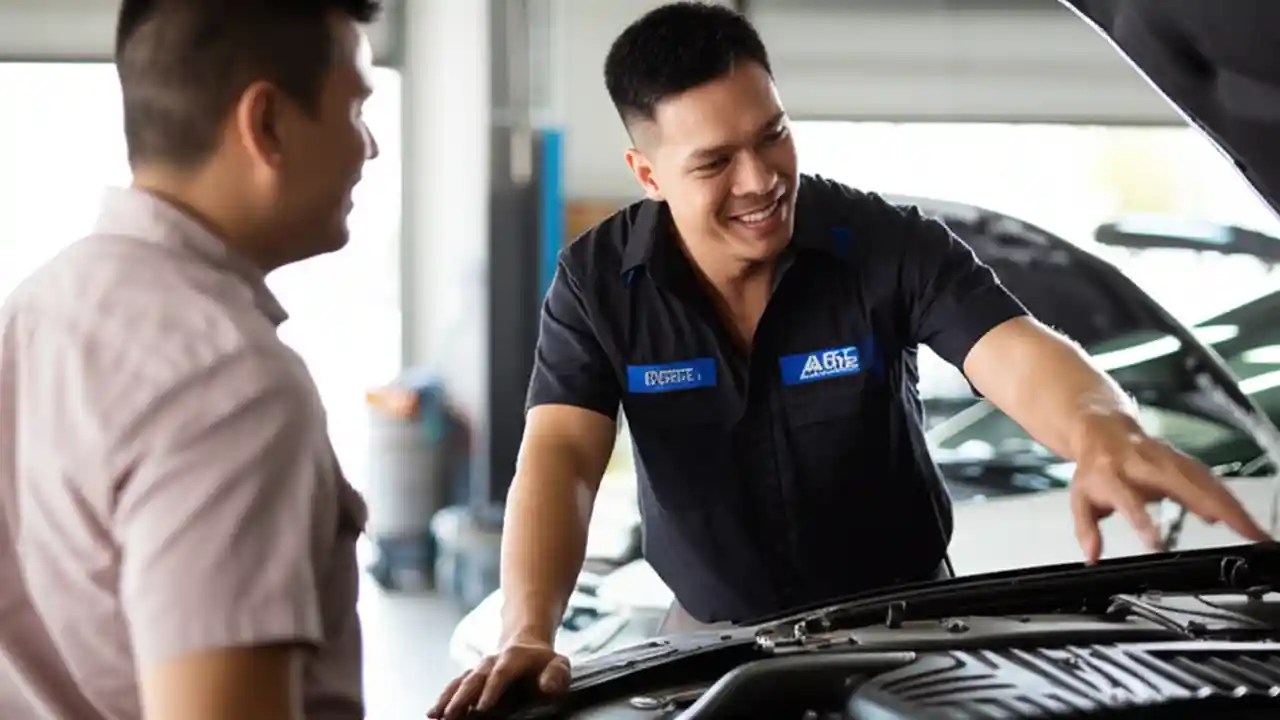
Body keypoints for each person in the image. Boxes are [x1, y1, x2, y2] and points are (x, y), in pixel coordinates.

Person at [429, 2, 1272, 718]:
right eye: (715, 163)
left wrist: (1100, 430)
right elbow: (561, 456)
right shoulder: (598, 283)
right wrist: (528, 630)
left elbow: (1013, 350)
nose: (760, 181)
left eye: (773, 136)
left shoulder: (882, 244)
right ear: (647, 173)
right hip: (709, 639)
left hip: (911, 625)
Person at [0, 1, 381, 718]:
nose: (370, 147)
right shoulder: (233, 384)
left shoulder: (38, 306)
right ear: (265, 124)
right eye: (355, 109)